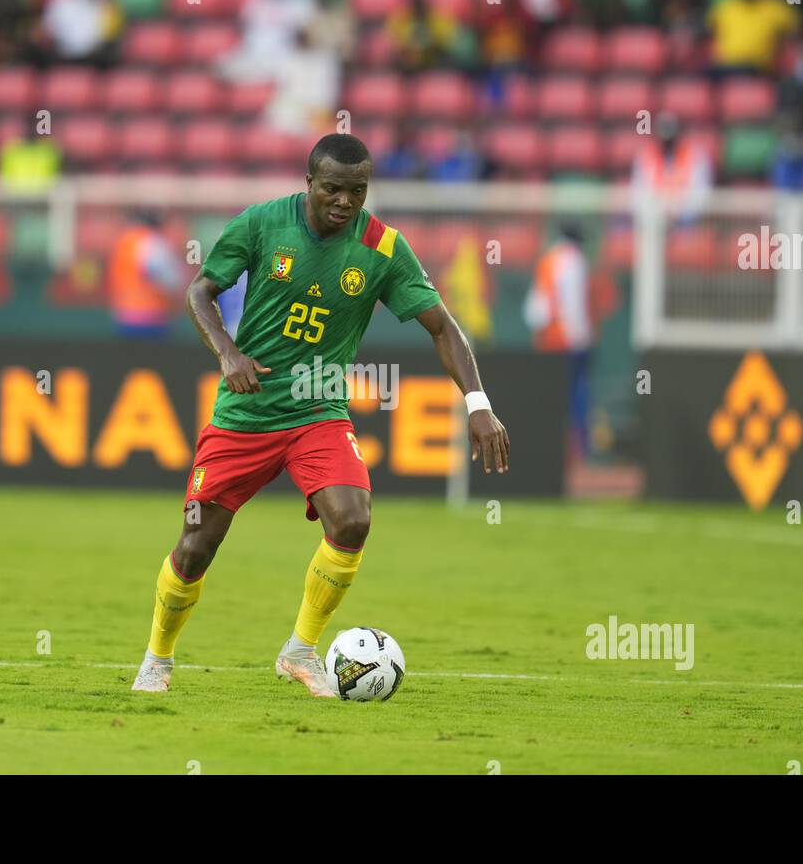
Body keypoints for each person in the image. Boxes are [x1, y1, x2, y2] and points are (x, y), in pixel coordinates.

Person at [130, 133, 510, 695]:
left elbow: (442, 327)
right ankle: (157, 657)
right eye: (333, 188)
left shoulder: (381, 247)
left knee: (353, 520)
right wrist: (228, 352)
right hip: (247, 413)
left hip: (319, 409)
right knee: (196, 544)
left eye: (357, 191)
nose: (345, 202)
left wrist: (478, 404)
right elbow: (200, 292)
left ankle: (300, 650)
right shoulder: (262, 224)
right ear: (309, 182)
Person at [525, 224, 592, 463]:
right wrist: (581, 337)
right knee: (577, 396)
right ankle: (580, 452)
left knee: (552, 397)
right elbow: (572, 305)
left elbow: (534, 309)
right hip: (569, 341)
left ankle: (550, 449)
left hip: (549, 340)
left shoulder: (548, 260)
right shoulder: (574, 261)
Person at [107, 215, 185, 338]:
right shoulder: (153, 242)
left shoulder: (125, 241)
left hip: (125, 315)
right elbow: (165, 277)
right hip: (153, 316)